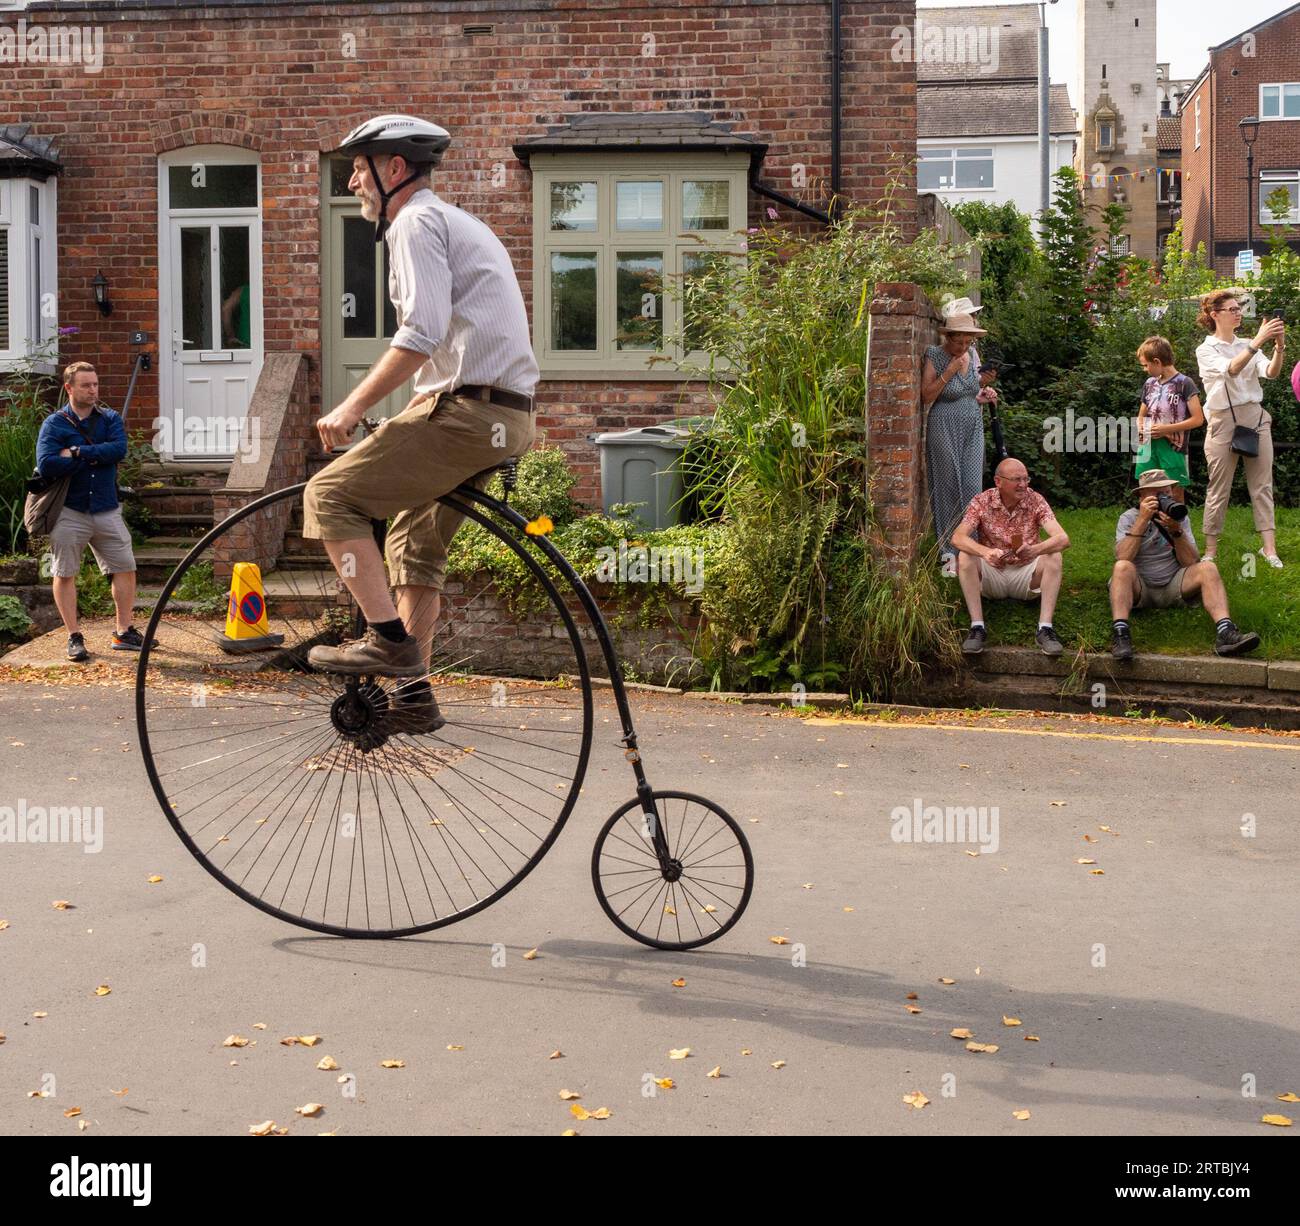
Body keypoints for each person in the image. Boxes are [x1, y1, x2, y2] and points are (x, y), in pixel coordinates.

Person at [301, 115, 539, 733]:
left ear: (394, 170)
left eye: (359, 167)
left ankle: (389, 642)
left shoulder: (414, 222)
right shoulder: (454, 222)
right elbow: (458, 346)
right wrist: (410, 410)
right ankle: (412, 698)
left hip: (470, 414)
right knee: (413, 551)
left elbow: (421, 332)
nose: (353, 180)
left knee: (328, 495)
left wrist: (352, 406)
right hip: (502, 415)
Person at [35, 361, 142, 661]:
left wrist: (78, 452)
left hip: (107, 507)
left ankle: (124, 631)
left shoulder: (110, 419)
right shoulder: (54, 424)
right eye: (86, 385)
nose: (93, 390)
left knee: (125, 567)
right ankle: (73, 636)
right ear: (69, 388)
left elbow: (118, 450)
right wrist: (98, 456)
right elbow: (48, 464)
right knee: (65, 571)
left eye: (95, 384)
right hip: (70, 509)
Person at [1108, 469, 1259, 659]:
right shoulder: (1128, 518)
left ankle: (1226, 632)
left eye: (1166, 492)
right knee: (1122, 568)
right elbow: (1124, 556)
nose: (1163, 497)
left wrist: (1176, 531)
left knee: (1208, 567)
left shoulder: (1178, 517)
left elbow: (1190, 562)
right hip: (1140, 587)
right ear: (1141, 495)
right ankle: (1121, 635)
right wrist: (1142, 520)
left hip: (1173, 584)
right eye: (1157, 493)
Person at [1195, 290, 1286, 566]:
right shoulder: (1206, 349)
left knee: (1262, 485)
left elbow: (1270, 373)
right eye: (1232, 309)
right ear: (1215, 314)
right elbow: (1232, 369)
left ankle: (1269, 550)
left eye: (1239, 308)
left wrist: (1279, 347)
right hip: (1223, 422)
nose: (1238, 313)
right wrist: (1259, 341)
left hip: (1255, 418)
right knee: (1218, 487)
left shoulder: (1246, 342)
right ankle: (1210, 551)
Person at [950, 457, 1070, 656]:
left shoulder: (1035, 500)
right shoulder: (982, 501)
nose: (1023, 485)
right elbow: (957, 537)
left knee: (1054, 555)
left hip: (1027, 575)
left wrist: (1034, 550)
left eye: (1026, 479)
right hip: (992, 574)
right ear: (999, 482)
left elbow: (1063, 538)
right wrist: (985, 552)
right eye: (1016, 479)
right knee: (964, 555)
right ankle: (977, 627)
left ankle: (1045, 628)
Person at [920, 308, 997, 571]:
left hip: (972, 427)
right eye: (958, 342)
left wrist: (983, 391)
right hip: (943, 426)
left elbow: (969, 393)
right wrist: (950, 371)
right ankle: (948, 557)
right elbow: (927, 396)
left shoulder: (971, 354)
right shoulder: (936, 356)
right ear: (947, 337)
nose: (963, 347)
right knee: (947, 489)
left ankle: (971, 553)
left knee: (973, 489)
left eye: (968, 342)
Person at [1133, 336, 1203, 503]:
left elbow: (1198, 419)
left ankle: (1177, 528)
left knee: (1175, 493)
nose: (1145, 369)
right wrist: (1141, 427)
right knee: (1146, 492)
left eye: (1146, 365)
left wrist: (1165, 430)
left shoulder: (1185, 383)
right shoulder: (1149, 383)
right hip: (1147, 447)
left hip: (1173, 447)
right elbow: (1141, 416)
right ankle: (1147, 527)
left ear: (1157, 361)